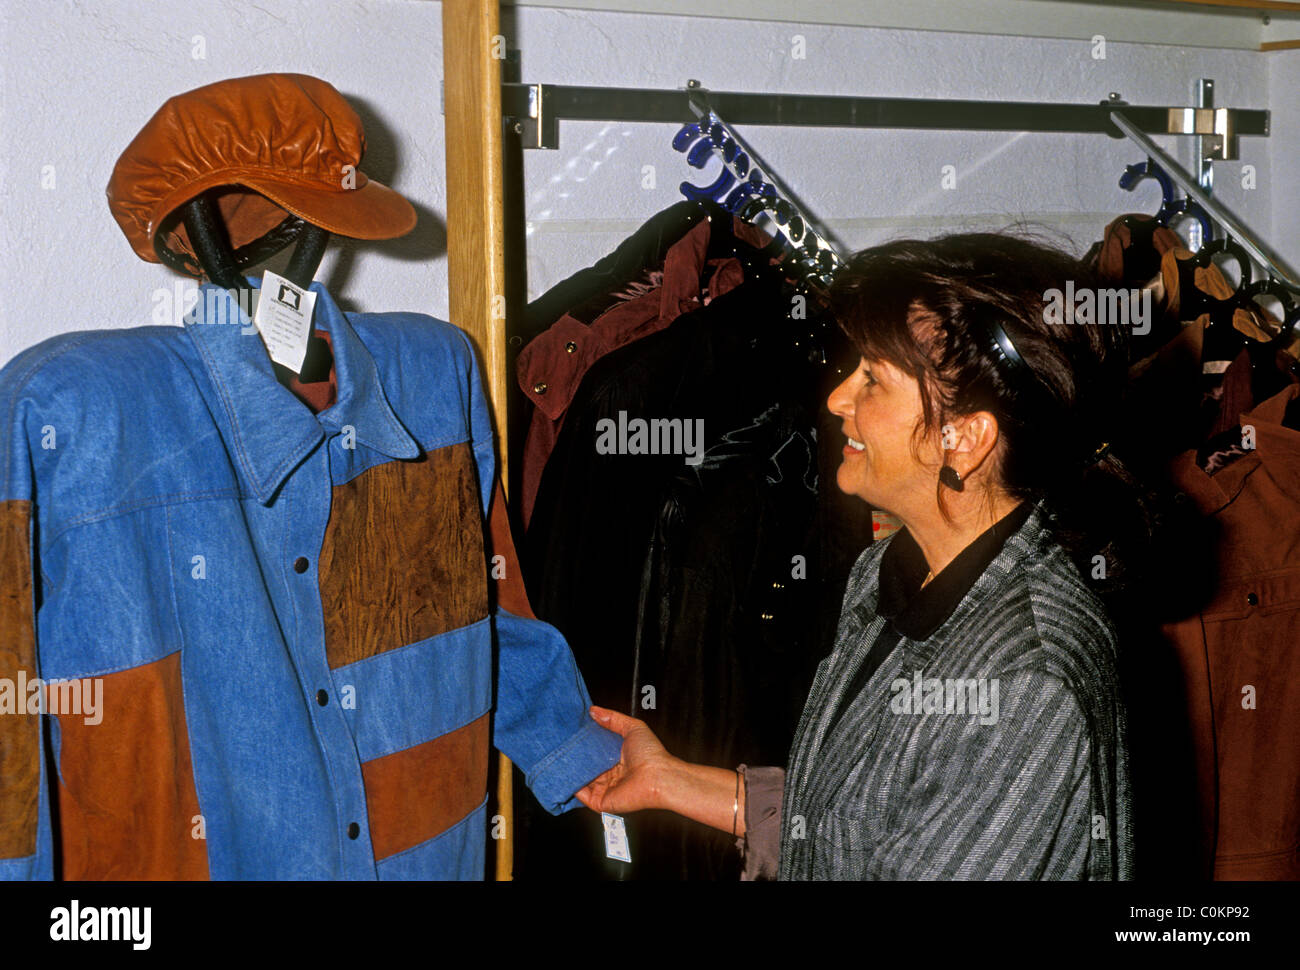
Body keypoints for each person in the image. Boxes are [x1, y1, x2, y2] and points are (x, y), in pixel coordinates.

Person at [575, 231, 1142, 880]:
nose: (838, 399)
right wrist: (675, 782)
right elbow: (878, 820)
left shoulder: (1020, 686)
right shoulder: (892, 570)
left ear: (967, 439)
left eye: (872, 378)